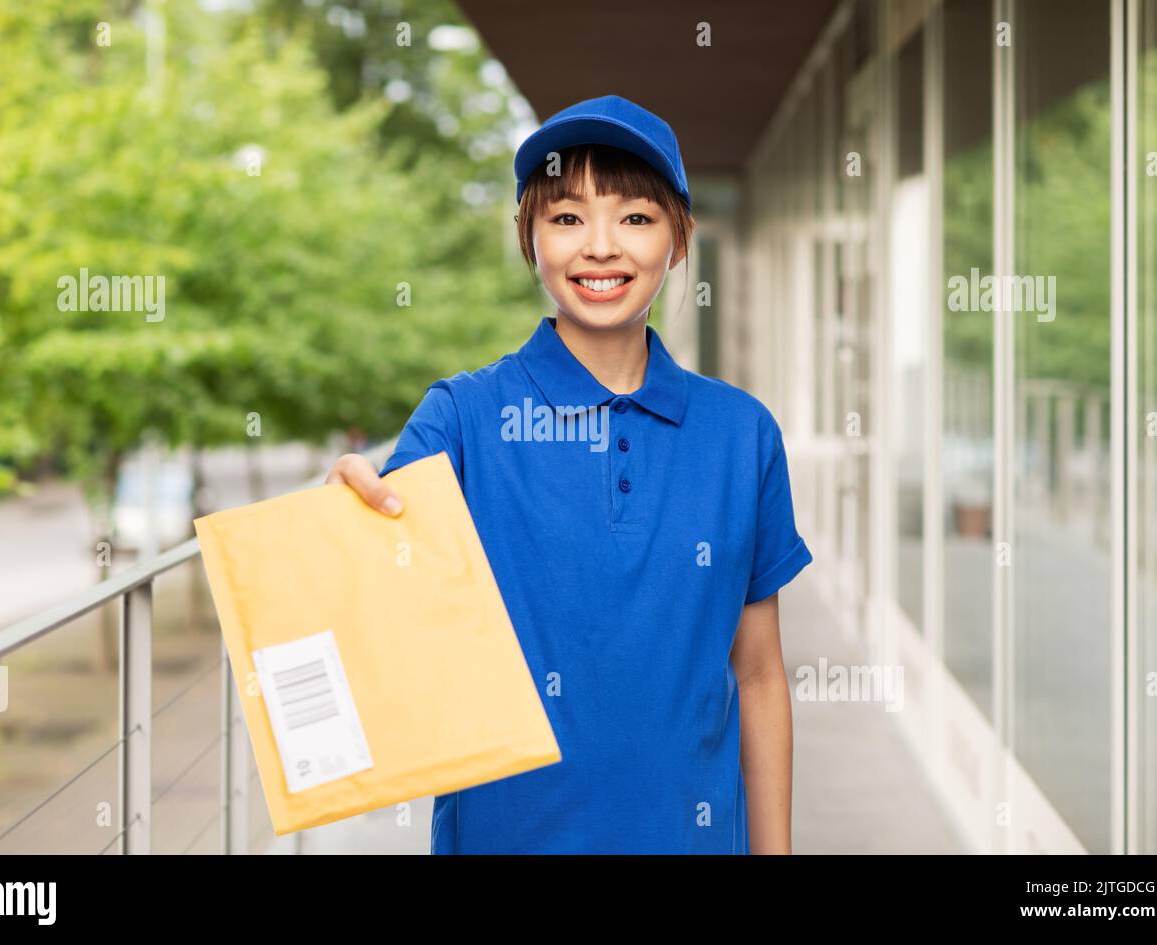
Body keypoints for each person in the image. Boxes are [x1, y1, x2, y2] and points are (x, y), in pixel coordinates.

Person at [326, 94, 812, 854]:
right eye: (566, 218)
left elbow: (758, 675)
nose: (600, 247)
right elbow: (378, 603)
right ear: (531, 241)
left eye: (636, 218)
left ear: (679, 241)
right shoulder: (461, 418)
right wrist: (343, 523)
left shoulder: (742, 435)